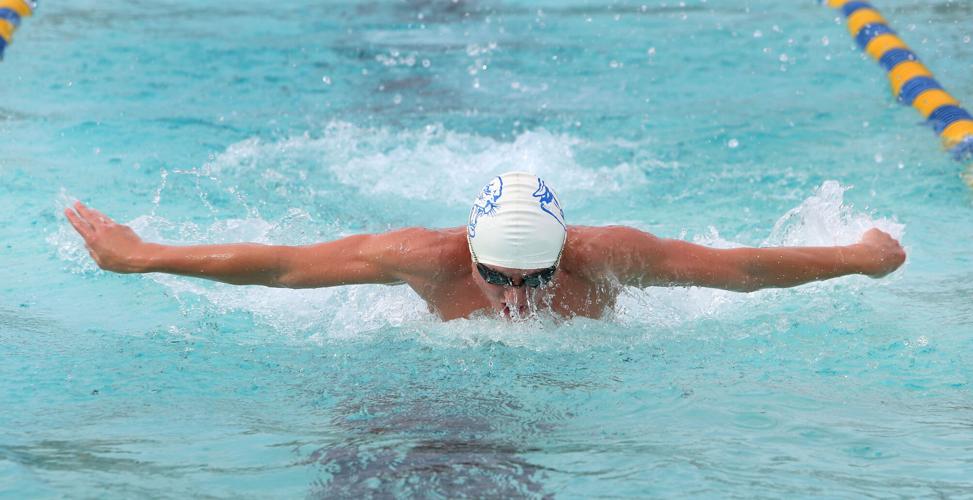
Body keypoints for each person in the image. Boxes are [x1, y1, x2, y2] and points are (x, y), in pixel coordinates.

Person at [64, 171, 906, 321]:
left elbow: (740, 274)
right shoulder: (422, 256)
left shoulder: (606, 251)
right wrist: (141, 254)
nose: (516, 297)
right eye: (496, 275)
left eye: (536, 277)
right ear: (464, 250)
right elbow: (286, 267)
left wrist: (856, 258)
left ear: (563, 252)